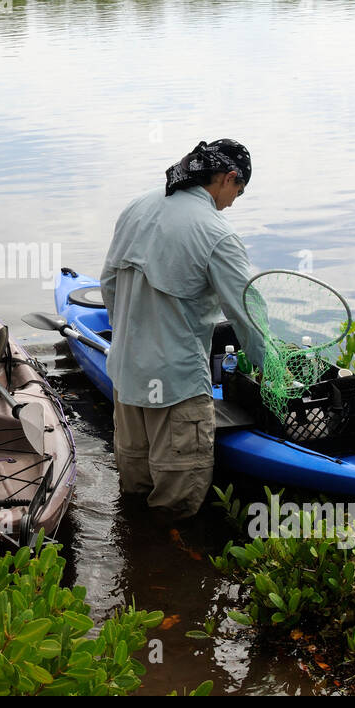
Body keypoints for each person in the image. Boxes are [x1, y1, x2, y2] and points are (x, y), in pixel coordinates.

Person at [100, 139, 260, 519]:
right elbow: (247, 313)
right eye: (239, 191)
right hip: (177, 388)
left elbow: (108, 284)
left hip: (126, 378)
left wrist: (127, 336)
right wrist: (266, 370)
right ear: (228, 178)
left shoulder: (137, 206)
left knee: (134, 492)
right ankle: (167, 565)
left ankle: (138, 563)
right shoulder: (218, 233)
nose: (234, 201)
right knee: (177, 504)